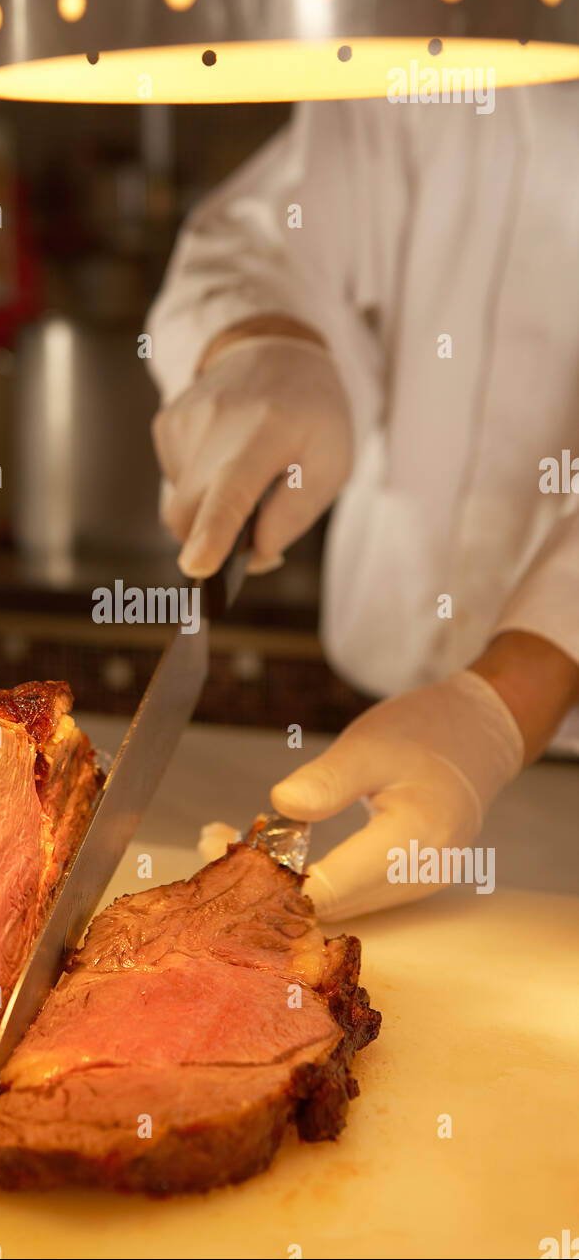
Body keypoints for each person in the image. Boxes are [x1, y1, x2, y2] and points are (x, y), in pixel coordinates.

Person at [145, 86, 579, 921]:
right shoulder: (425, 21)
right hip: (364, 721)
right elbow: (266, 235)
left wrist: (499, 709)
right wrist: (268, 341)